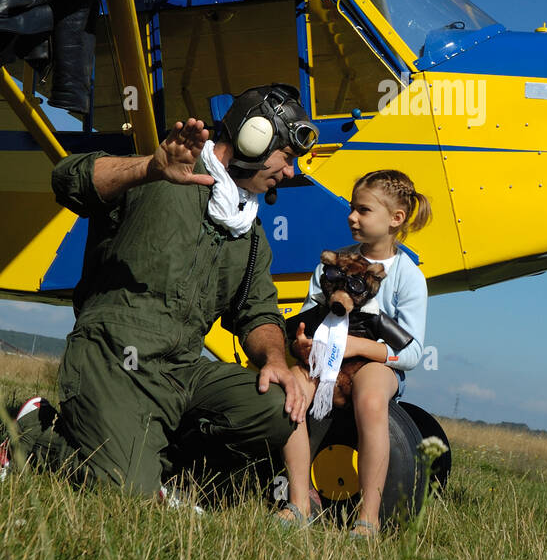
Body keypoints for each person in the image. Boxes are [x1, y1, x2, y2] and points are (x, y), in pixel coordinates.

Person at [0, 84, 317, 502]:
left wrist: (276, 359)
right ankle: (34, 431)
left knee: (277, 409)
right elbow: (68, 179)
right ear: (252, 137)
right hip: (113, 353)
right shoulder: (158, 173)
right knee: (125, 494)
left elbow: (257, 314)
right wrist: (147, 168)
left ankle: (154, 462)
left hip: (182, 367)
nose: (291, 172)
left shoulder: (249, 233)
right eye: (287, 158)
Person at [284, 169, 431, 536]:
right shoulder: (331, 264)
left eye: (363, 210)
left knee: (369, 399)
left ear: (396, 219)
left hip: (375, 365)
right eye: (352, 208)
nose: (351, 216)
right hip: (323, 359)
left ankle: (368, 517)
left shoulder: (408, 276)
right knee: (292, 391)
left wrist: (359, 347)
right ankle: (299, 502)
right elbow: (310, 316)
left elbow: (411, 354)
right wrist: (301, 345)